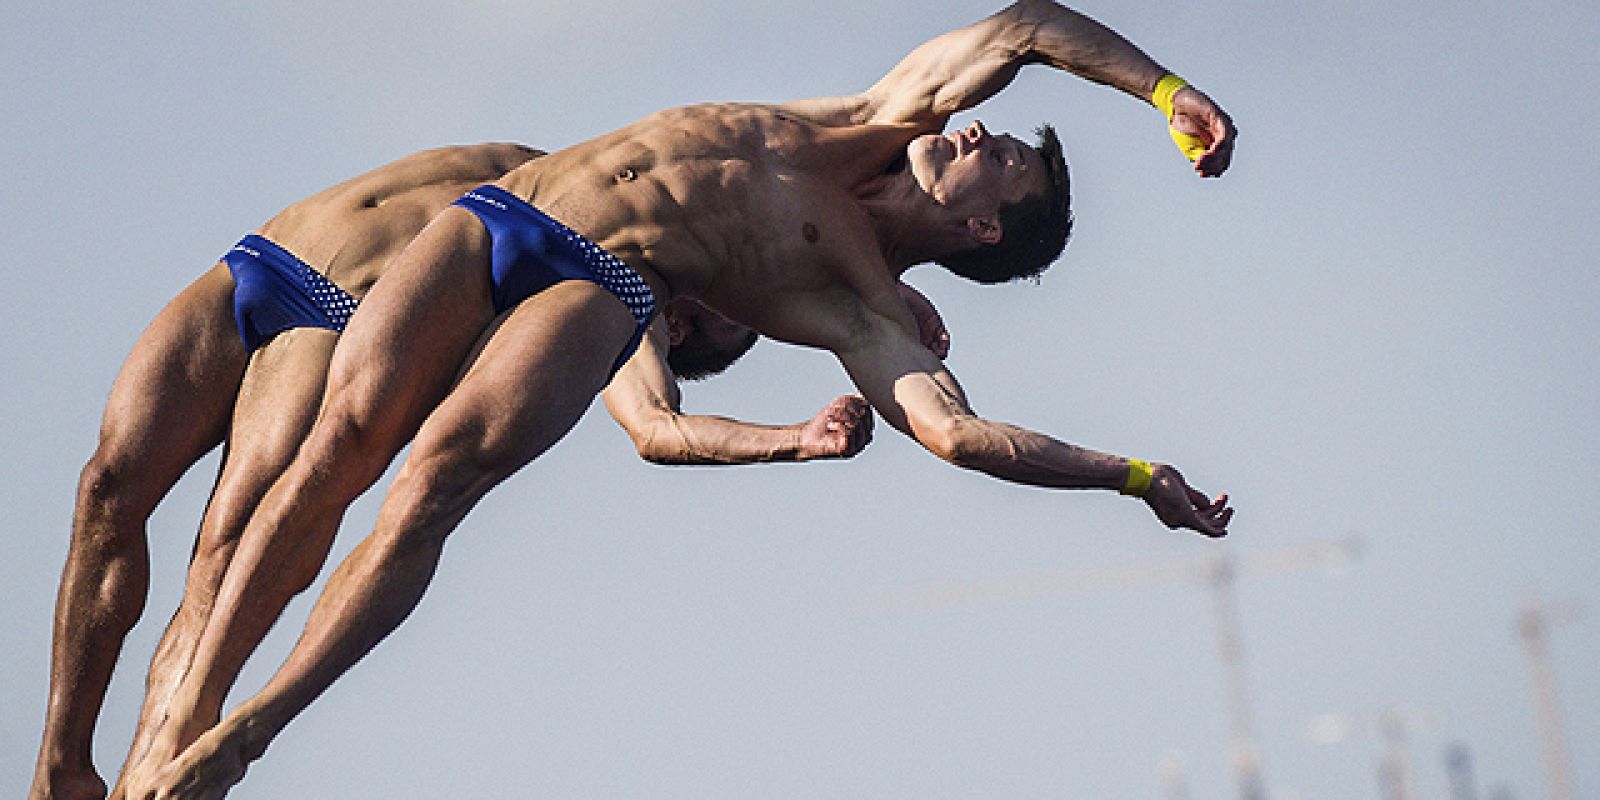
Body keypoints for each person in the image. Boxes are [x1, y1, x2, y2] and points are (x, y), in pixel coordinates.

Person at [121, 2, 1237, 795]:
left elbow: (956, 433)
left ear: (986, 228)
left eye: (1007, 168)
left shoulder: (861, 310)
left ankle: (248, 733)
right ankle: (181, 725)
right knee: (337, 443)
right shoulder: (871, 114)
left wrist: (1129, 474)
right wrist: (1170, 93)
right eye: (999, 135)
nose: (984, 134)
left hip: (604, 283)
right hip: (507, 210)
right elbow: (1022, 27)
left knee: (426, 487)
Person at [28, 141, 944, 800]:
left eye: (704, 328)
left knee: (225, 545)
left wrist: (793, 434)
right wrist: (881, 275)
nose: (709, 308)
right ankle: (60, 763)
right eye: (728, 310)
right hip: (266, 254)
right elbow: (777, 179)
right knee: (106, 486)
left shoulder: (616, 298)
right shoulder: (606, 178)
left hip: (339, 317)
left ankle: (156, 768)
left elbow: (660, 429)